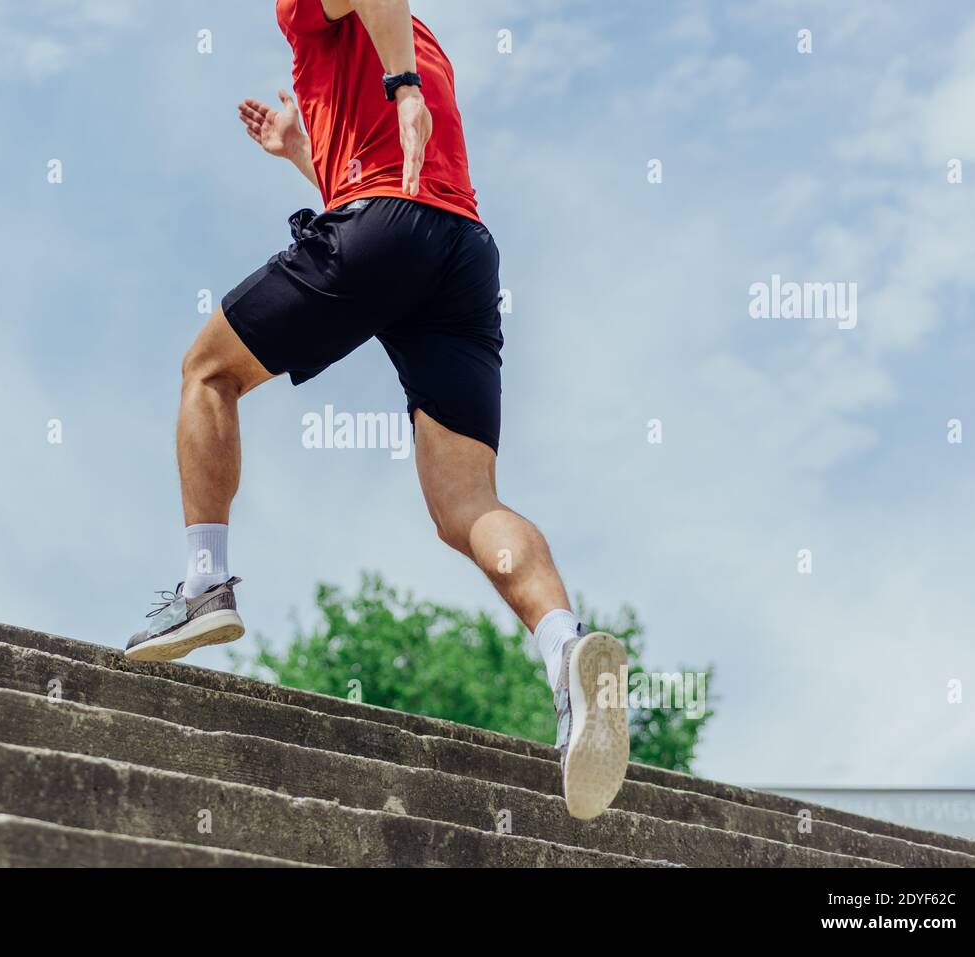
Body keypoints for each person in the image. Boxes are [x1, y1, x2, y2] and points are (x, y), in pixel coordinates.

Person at [127, 0, 628, 820]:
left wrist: (399, 88)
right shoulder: (414, 37)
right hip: (461, 248)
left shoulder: (318, 16)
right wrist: (302, 147)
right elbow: (380, 169)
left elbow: (377, 180)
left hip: (387, 225)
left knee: (206, 371)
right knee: (468, 505)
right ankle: (565, 649)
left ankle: (203, 585)